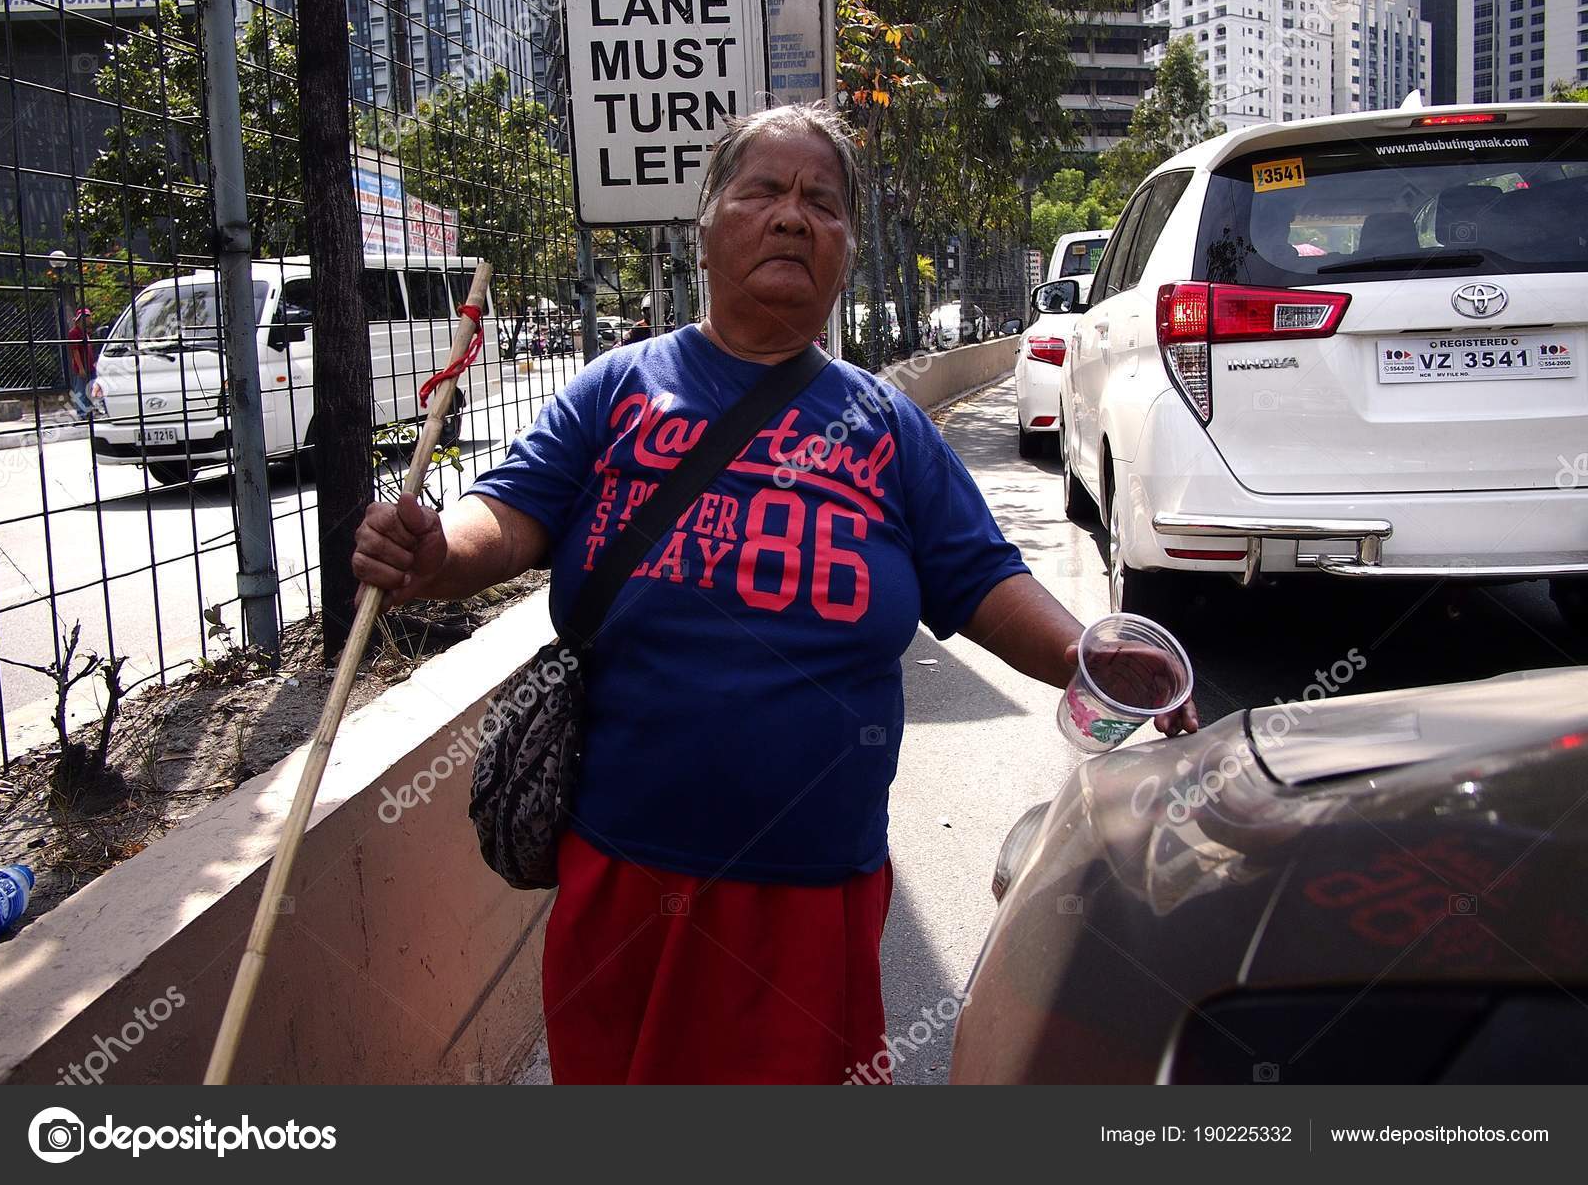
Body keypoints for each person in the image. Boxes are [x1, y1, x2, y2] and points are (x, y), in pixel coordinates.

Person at [351, 102, 1198, 1084]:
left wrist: (1088, 654)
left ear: (843, 250)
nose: (792, 216)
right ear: (707, 225)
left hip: (811, 893)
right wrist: (431, 551)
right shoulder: (614, 390)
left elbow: (979, 578)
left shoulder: (886, 428)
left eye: (821, 201)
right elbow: (502, 519)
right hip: (625, 881)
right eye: (762, 190)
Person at [66, 307, 95, 419]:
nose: (88, 320)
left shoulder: (85, 332)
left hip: (90, 365)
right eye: (86, 317)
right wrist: (81, 368)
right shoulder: (74, 333)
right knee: (81, 390)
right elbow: (75, 351)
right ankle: (81, 412)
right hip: (82, 366)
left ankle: (88, 410)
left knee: (90, 389)